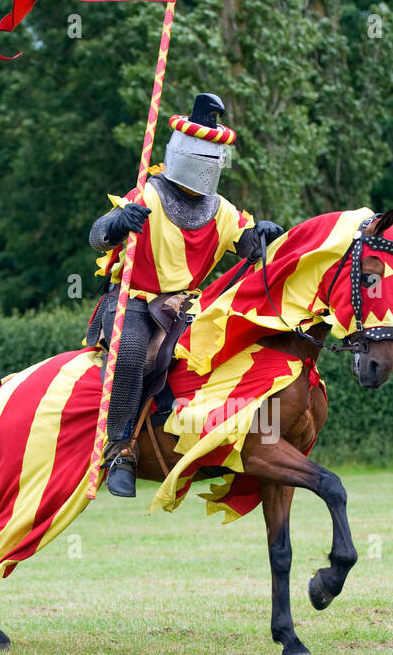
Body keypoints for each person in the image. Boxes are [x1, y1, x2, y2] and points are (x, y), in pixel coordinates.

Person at [87, 92, 282, 497]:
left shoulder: (222, 210)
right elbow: (97, 237)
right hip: (135, 300)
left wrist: (261, 233)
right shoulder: (148, 197)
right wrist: (121, 222)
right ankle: (120, 449)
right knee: (132, 351)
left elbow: (248, 247)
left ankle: (222, 441)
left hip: (187, 305)